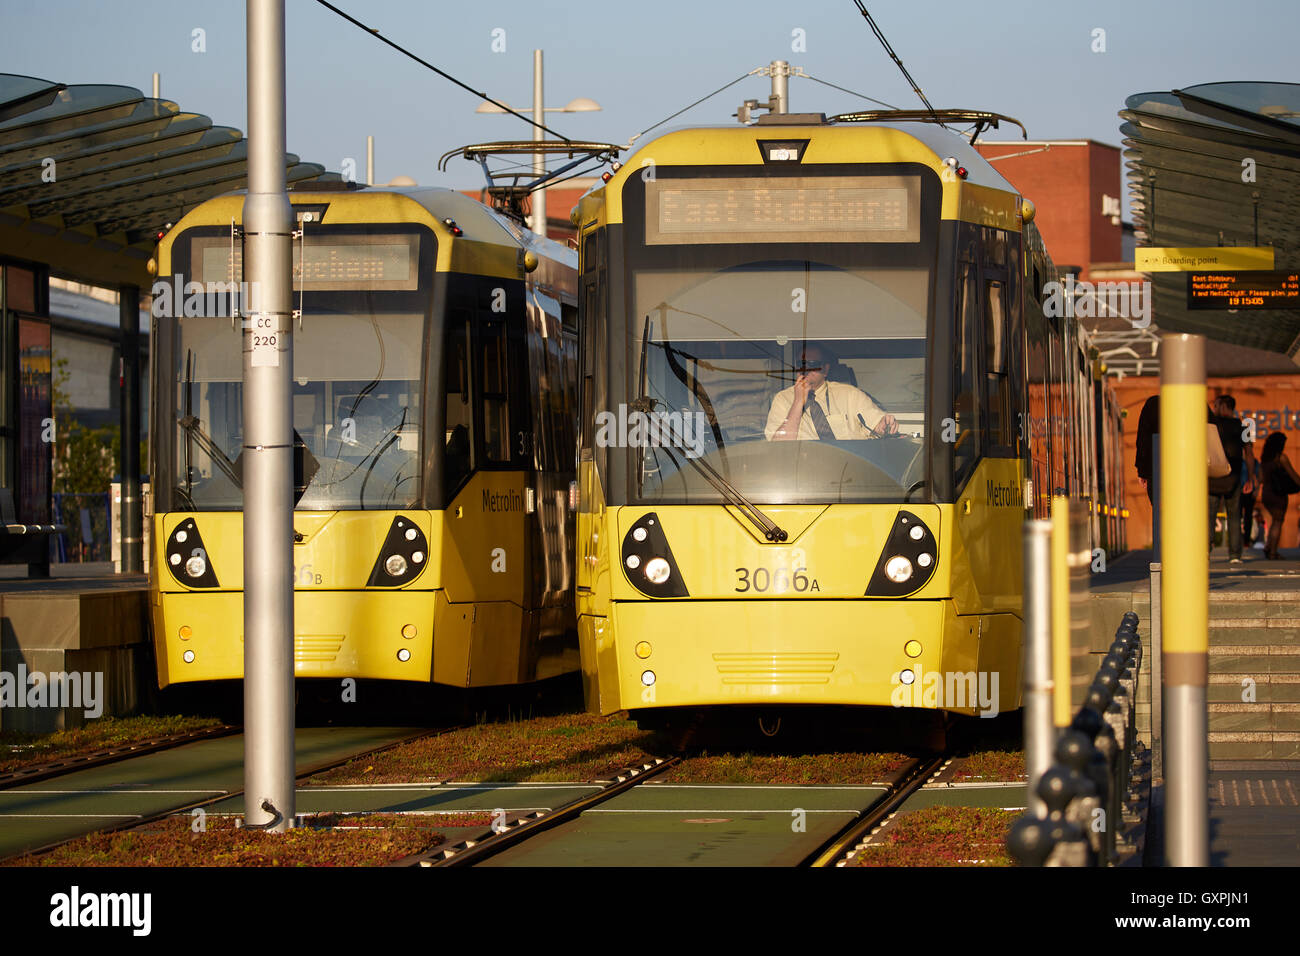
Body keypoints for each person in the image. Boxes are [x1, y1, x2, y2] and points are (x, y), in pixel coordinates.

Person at [765, 342, 898, 441]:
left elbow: (878, 426)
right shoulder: (782, 399)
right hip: (802, 470)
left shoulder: (850, 394)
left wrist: (885, 425)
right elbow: (778, 446)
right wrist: (798, 402)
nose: (806, 369)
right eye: (801, 364)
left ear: (825, 369)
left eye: (812, 364)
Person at [1208, 394, 1256, 564]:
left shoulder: (1211, 425)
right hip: (1234, 477)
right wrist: (1250, 478)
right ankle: (1235, 555)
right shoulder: (1243, 427)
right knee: (1235, 515)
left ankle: (1205, 550)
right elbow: (1249, 454)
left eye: (1216, 404)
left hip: (1213, 476)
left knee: (1209, 515)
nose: (1214, 408)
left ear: (1223, 405)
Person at [1259, 431, 1300, 559]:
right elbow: (1293, 475)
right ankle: (1272, 551)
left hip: (1266, 493)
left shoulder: (1264, 460)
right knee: (1278, 522)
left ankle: (1268, 546)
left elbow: (1261, 477)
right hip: (1278, 494)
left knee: (1273, 521)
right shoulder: (1281, 458)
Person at [1135, 394, 1159, 504]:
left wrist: (1142, 471)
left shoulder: (1154, 404)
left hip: (1157, 471)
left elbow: (1143, 439)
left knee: (1161, 516)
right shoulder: (1194, 402)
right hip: (1190, 474)